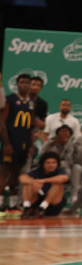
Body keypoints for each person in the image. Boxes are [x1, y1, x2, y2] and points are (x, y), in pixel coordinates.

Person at [1, 73, 39, 205]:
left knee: (16, 174)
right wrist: (6, 143)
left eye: (27, 82)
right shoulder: (10, 99)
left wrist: (31, 145)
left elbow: (31, 126)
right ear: (17, 84)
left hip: (24, 143)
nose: (25, 84)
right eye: (22, 82)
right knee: (4, 173)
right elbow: (2, 122)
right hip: (11, 141)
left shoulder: (32, 102)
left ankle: (12, 205)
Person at [19, 152, 70, 218]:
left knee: (58, 184)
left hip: (52, 205)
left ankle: (43, 207)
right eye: (48, 163)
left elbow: (64, 178)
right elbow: (22, 178)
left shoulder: (60, 171)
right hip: (37, 201)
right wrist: (33, 182)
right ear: (43, 164)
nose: (51, 165)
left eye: (54, 163)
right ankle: (27, 207)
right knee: (27, 184)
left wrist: (43, 180)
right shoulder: (37, 171)